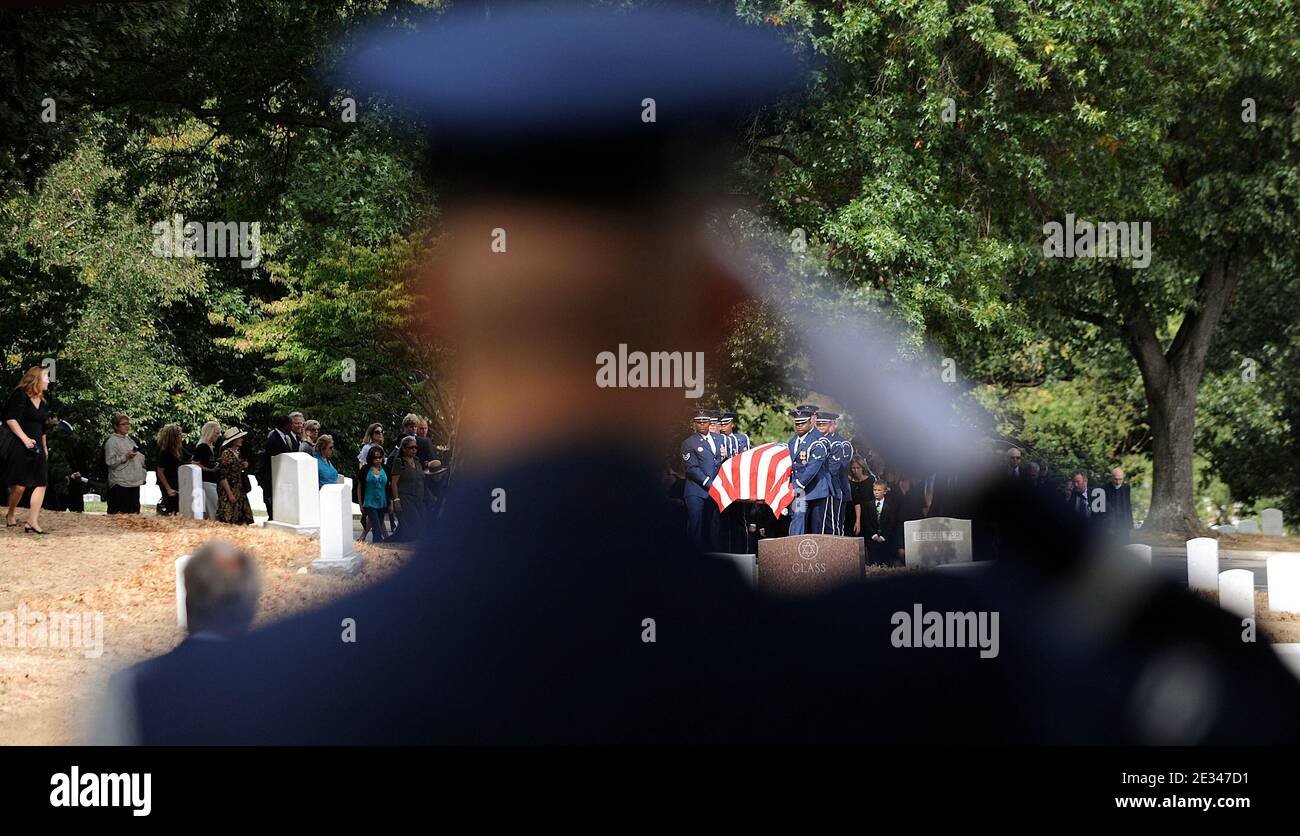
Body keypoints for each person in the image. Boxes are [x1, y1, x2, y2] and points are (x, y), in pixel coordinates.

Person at [94, 5, 1300, 747]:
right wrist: (1006, 496)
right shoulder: (913, 686)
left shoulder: (206, 714)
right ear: (727, 308)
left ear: (428, 298)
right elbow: (1238, 716)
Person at [3, 366, 51, 533]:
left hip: (37, 445)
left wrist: (44, 447)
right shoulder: (20, 396)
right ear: (36, 379)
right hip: (20, 444)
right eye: (46, 378)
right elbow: (10, 419)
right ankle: (10, 513)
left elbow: (43, 427)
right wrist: (24, 439)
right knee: (20, 485)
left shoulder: (43, 403)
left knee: (41, 482)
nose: (49, 381)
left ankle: (32, 521)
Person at [680, 410, 721, 551]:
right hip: (696, 490)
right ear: (695, 424)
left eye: (705, 421)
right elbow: (691, 469)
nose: (702, 424)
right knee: (695, 525)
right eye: (699, 422)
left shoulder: (719, 439)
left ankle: (715, 555)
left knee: (714, 525)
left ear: (710, 423)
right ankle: (693, 556)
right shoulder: (688, 443)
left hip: (715, 490)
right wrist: (709, 483)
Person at [788, 407, 831, 534]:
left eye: (803, 423)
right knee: (797, 520)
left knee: (815, 527)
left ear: (810, 422)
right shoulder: (793, 441)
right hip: (800, 492)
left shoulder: (818, 441)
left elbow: (812, 468)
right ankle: (794, 549)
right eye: (797, 423)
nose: (800, 426)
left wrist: (798, 485)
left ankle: (814, 553)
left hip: (815, 490)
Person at [104, 413, 145, 516]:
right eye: (123, 424)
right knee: (121, 517)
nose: (127, 426)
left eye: (128, 423)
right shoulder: (111, 442)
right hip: (120, 484)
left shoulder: (129, 439)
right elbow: (110, 462)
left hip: (133, 482)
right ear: (116, 426)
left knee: (134, 515)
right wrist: (125, 457)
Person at [390, 436, 428, 541]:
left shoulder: (417, 461)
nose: (414, 450)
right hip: (406, 497)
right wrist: (396, 500)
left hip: (418, 497)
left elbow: (421, 478)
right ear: (404, 448)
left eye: (415, 447)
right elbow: (394, 482)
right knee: (416, 520)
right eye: (411, 447)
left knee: (423, 519)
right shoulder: (399, 462)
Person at [257, 415, 295, 519]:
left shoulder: (284, 438)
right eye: (290, 424)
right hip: (274, 477)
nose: (292, 427)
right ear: (285, 425)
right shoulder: (274, 439)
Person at [216, 427, 254, 526]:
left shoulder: (238, 454)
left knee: (242, 517)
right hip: (230, 489)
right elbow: (223, 476)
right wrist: (230, 494)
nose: (241, 440)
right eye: (239, 438)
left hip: (239, 489)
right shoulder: (226, 454)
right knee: (229, 517)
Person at [863, 479, 901, 566]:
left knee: (885, 563)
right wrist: (874, 535)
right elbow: (866, 522)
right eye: (874, 490)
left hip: (886, 540)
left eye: (879, 490)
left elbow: (892, 523)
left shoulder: (890, 506)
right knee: (873, 563)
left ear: (885, 491)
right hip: (872, 540)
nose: (876, 492)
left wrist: (883, 536)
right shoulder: (868, 505)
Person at [193, 421, 222, 520]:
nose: (219, 436)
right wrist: (210, 469)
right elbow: (194, 463)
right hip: (206, 481)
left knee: (212, 508)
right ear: (210, 433)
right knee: (213, 509)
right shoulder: (203, 447)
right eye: (217, 433)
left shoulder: (209, 447)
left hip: (211, 481)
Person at [360, 445, 390, 543]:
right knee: (376, 524)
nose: (378, 460)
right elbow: (360, 487)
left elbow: (388, 486)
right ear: (371, 458)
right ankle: (378, 543)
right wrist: (361, 503)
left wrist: (391, 502)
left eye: (380, 457)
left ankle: (376, 543)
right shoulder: (365, 469)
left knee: (380, 523)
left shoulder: (385, 469)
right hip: (369, 501)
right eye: (375, 458)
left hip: (382, 501)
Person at [155, 424, 184, 516]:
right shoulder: (165, 452)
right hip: (170, 484)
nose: (181, 436)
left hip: (177, 483)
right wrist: (168, 488)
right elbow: (160, 471)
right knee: (171, 510)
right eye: (179, 434)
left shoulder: (179, 450)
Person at [1100, 466, 1134, 538]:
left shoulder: (1126, 488)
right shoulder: (1103, 489)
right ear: (1111, 477)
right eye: (1115, 479)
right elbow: (1101, 510)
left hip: (1123, 524)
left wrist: (1130, 525)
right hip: (1110, 526)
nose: (1118, 482)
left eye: (1120, 479)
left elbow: (1128, 506)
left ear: (1123, 478)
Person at [848, 456, 872, 537]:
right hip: (851, 514)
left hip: (867, 515)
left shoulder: (870, 480)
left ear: (862, 468)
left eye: (858, 468)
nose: (856, 470)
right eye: (853, 468)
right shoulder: (849, 481)